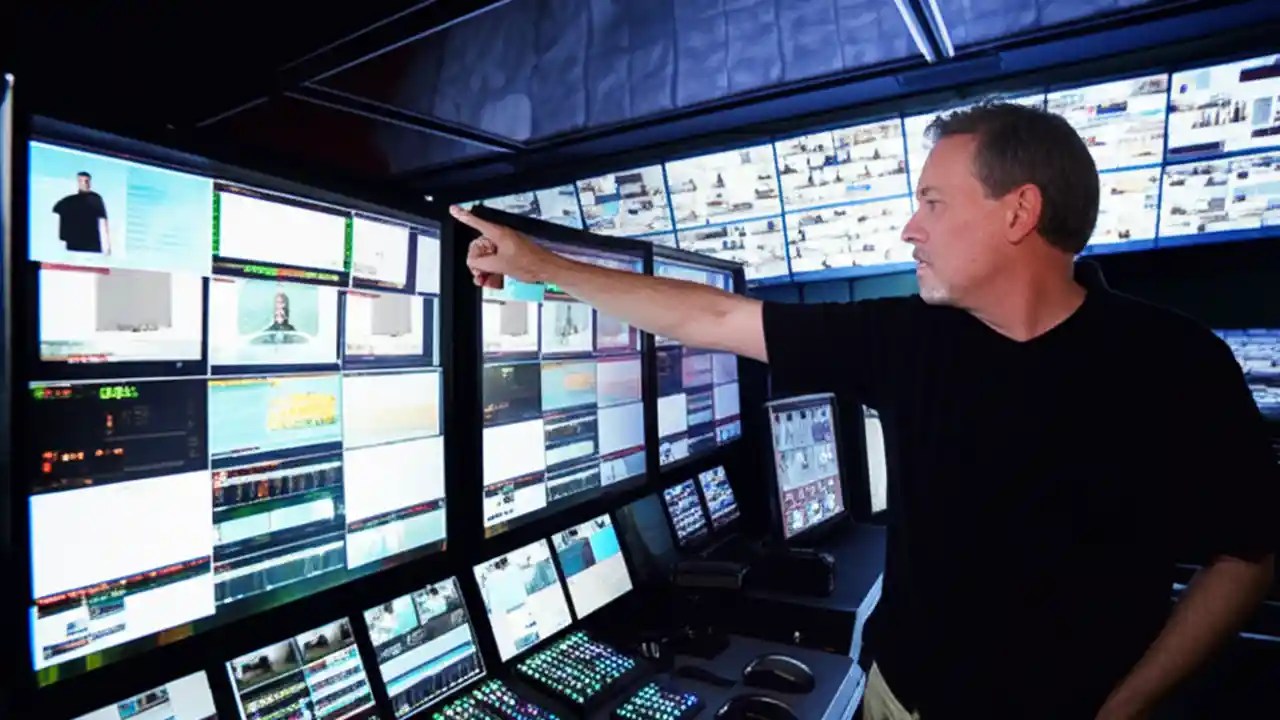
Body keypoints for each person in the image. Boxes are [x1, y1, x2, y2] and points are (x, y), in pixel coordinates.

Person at [452, 102, 1278, 719]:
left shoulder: (1174, 364)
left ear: (1019, 212)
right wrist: (543, 266)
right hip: (895, 699)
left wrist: (1125, 710)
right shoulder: (908, 338)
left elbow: (1249, 557)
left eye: (934, 202)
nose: (910, 228)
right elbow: (712, 317)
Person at [52, 171, 111, 254]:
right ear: (78, 182)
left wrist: (107, 246)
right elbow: (56, 213)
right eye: (81, 181)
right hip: (74, 244)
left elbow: (104, 221)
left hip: (92, 244)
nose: (85, 183)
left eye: (87, 181)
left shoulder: (95, 199)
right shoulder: (69, 201)